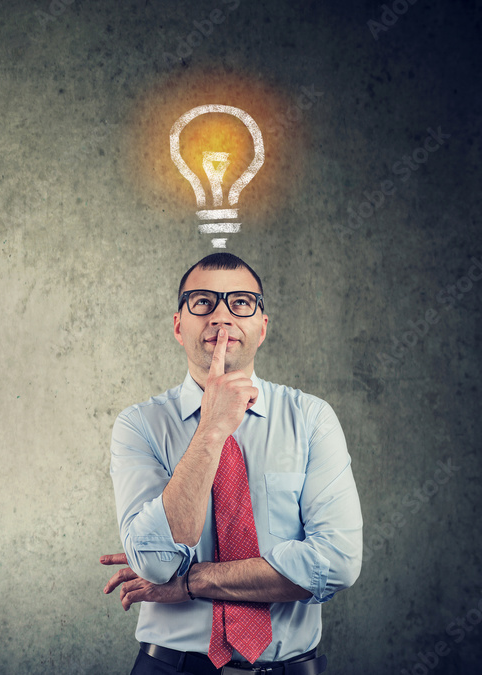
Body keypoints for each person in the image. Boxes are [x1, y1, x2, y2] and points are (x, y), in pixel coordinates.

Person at [100, 253, 362, 675]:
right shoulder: (139, 425)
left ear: (262, 327)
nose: (222, 316)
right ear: (178, 326)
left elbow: (335, 564)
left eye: (240, 302)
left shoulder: (312, 418)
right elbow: (155, 563)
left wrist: (189, 583)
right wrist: (211, 429)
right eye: (202, 301)